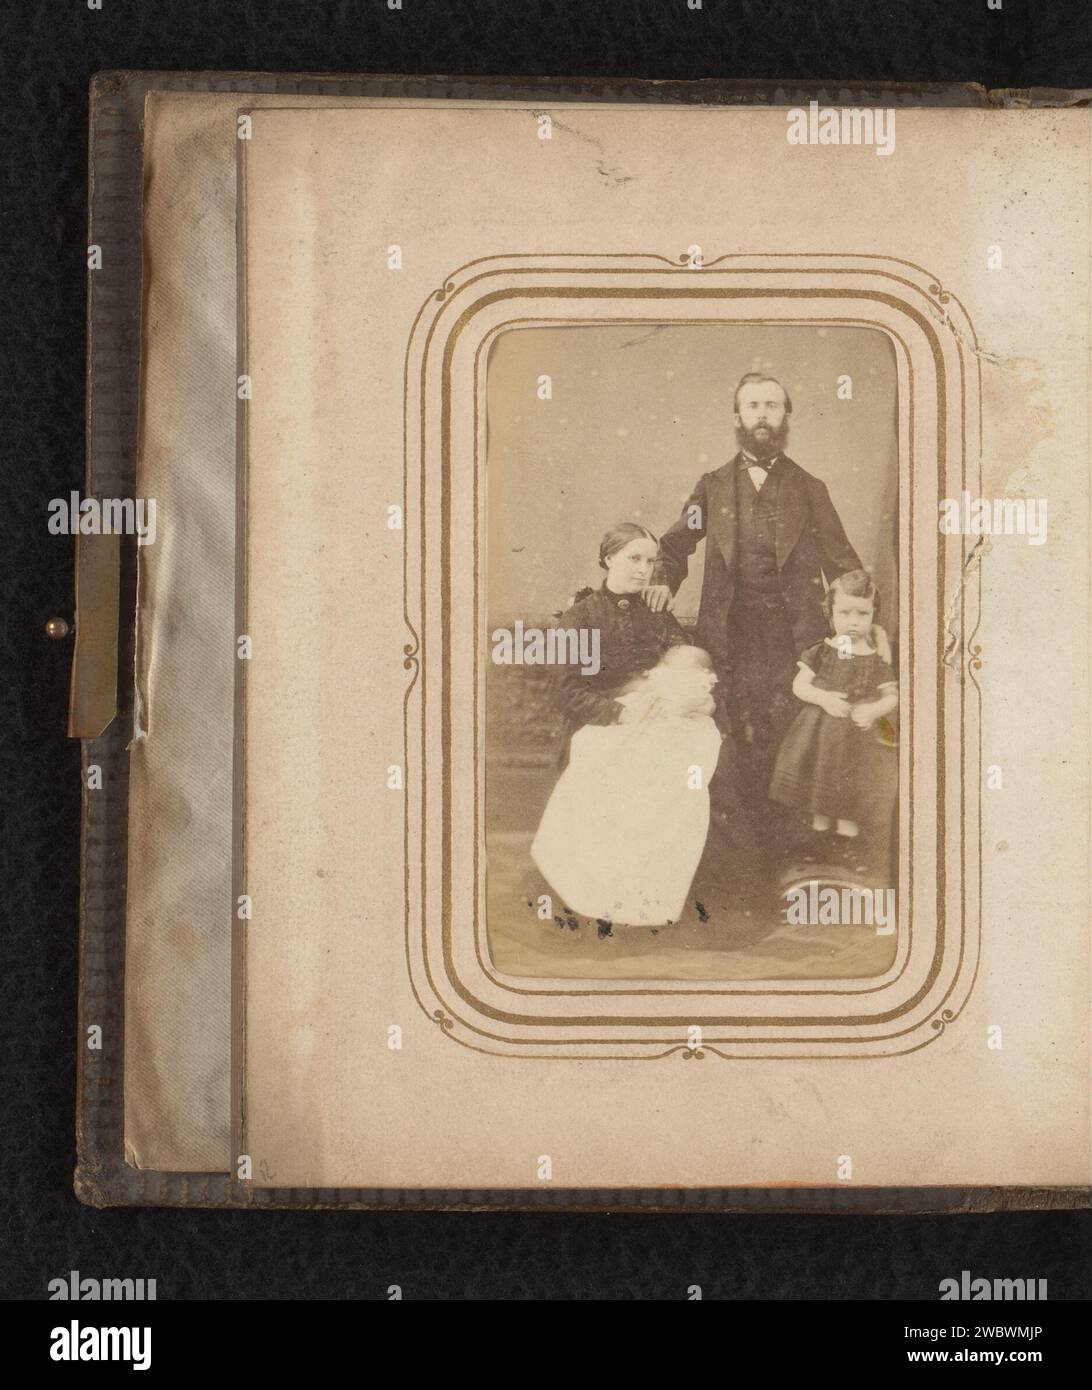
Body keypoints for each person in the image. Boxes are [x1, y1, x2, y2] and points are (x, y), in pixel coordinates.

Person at [642, 371, 883, 837]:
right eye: (753, 406)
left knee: (787, 734)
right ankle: (734, 844)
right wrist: (661, 580)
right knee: (730, 735)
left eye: (772, 406)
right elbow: (675, 544)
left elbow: (843, 563)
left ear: (786, 417)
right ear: (738, 417)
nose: (762, 416)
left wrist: (868, 626)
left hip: (794, 639)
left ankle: (785, 842)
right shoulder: (711, 486)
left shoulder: (811, 489)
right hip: (728, 634)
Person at [531, 523, 722, 927]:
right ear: (608, 559)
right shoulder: (580, 618)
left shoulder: (657, 613)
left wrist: (693, 698)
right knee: (625, 777)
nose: (644, 570)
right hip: (603, 725)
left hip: (664, 722)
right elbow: (565, 693)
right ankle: (610, 896)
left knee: (688, 775)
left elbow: (686, 665)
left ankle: (659, 893)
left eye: (651, 561)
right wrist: (622, 713)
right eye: (634, 558)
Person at [768, 570, 898, 840]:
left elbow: (892, 695)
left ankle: (845, 849)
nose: (853, 622)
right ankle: (818, 845)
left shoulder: (876, 657)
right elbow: (799, 686)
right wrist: (823, 698)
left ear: (874, 614)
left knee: (849, 800)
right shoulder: (822, 650)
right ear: (830, 613)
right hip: (819, 734)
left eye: (863, 614)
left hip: (856, 739)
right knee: (820, 793)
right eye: (844, 613)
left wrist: (874, 710)